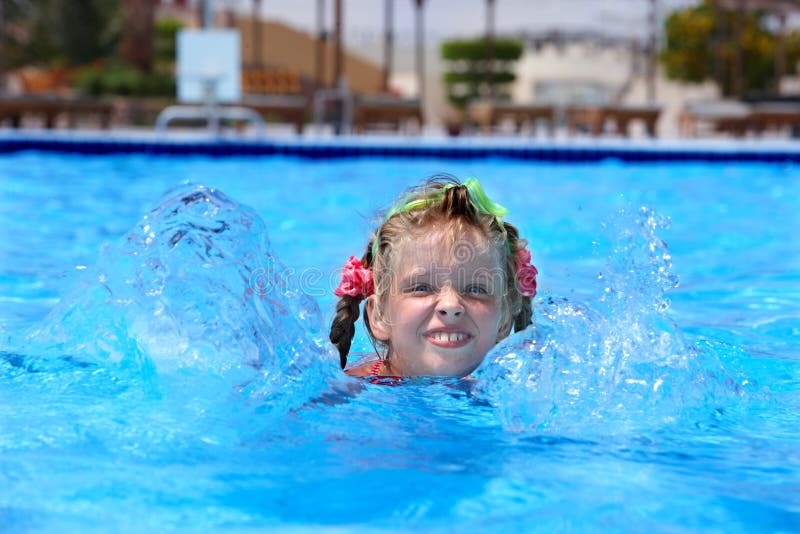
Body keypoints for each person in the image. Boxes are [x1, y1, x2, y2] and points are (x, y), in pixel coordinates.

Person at [329, 176, 538, 379]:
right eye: (422, 287)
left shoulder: (503, 393)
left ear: (503, 320)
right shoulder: (349, 392)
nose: (451, 305)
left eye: (476, 289)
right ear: (380, 316)